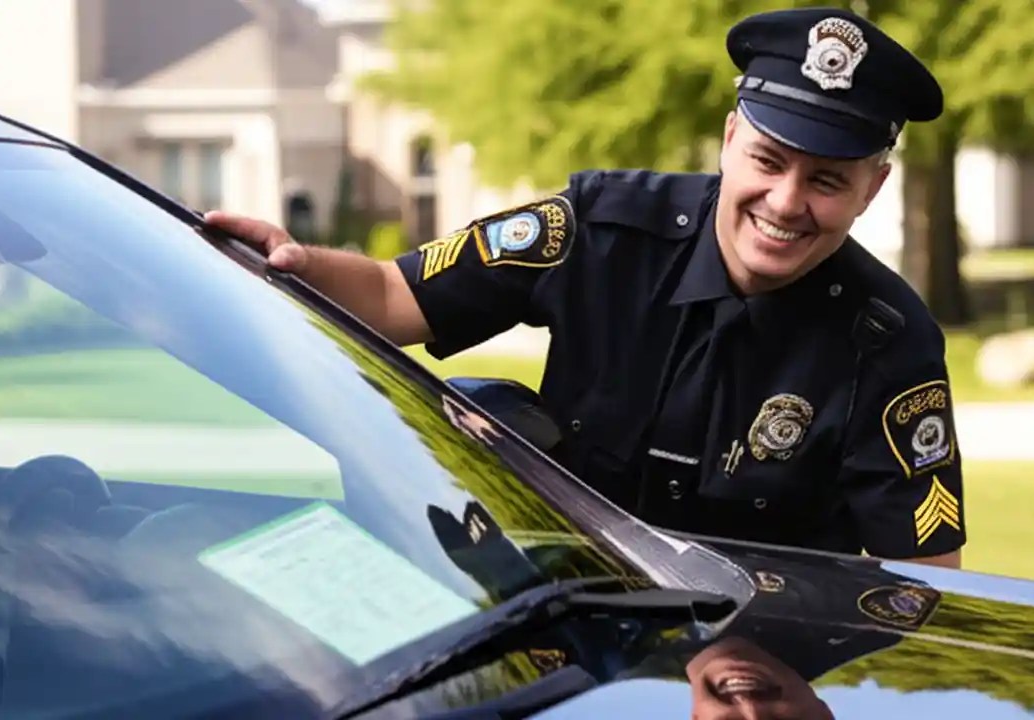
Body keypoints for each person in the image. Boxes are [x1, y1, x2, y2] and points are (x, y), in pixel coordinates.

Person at [205, 7, 967, 568]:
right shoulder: (600, 232)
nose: (786, 202)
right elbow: (389, 295)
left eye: (827, 180)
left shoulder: (888, 339)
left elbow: (922, 580)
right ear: (732, 140)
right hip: (571, 647)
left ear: (873, 188)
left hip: (753, 675)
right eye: (769, 161)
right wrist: (297, 262)